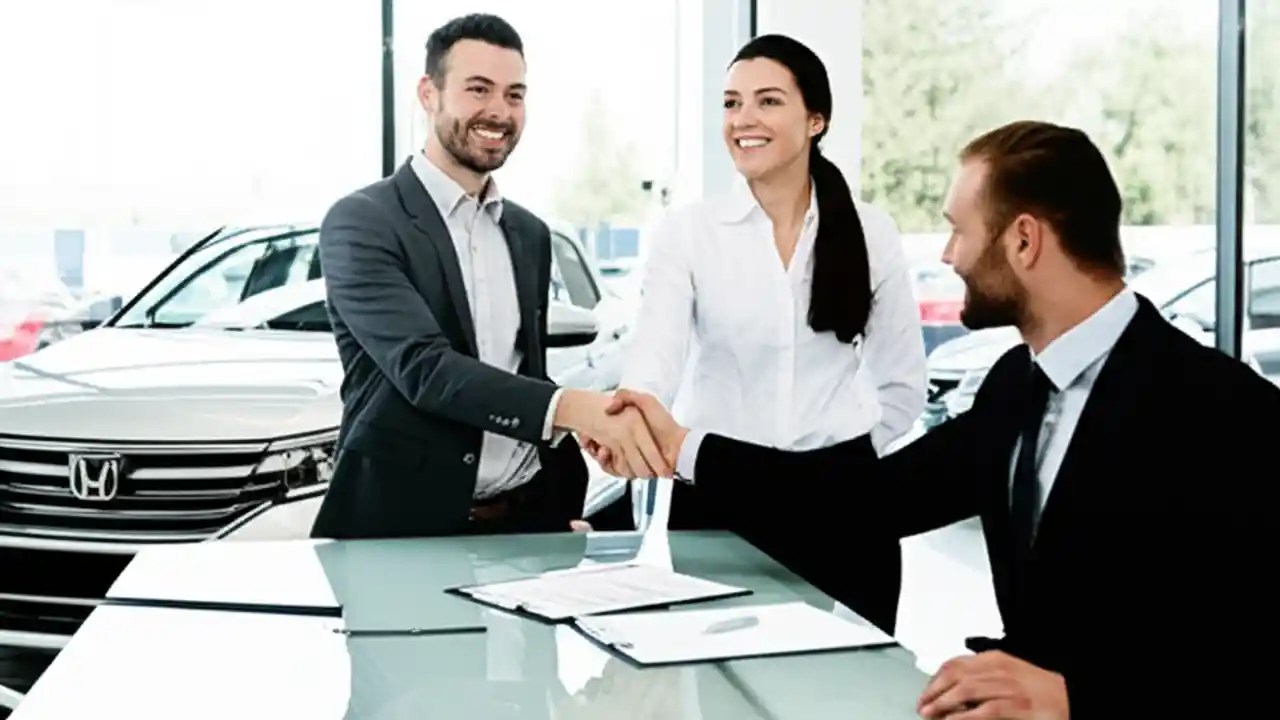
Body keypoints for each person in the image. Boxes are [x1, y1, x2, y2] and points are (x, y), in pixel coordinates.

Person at [603, 120, 1275, 717]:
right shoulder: (1016, 388)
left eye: (959, 228)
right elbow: (862, 500)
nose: (948, 255)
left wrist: (1076, 696)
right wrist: (682, 447)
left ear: (1023, 240)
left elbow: (1246, 652)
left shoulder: (1223, 409)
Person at [591, 34, 926, 634]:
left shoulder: (871, 233)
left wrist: (836, 469)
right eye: (730, 103)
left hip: (843, 510)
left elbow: (903, 390)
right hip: (719, 501)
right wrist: (634, 421)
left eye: (767, 101)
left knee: (852, 692)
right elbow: (655, 360)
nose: (743, 119)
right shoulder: (689, 232)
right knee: (720, 688)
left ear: (815, 119)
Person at [312, 13, 667, 541]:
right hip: (403, 532)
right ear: (428, 93)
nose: (499, 111)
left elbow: (519, 370)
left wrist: (575, 434)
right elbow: (424, 369)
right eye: (478, 89)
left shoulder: (529, 233)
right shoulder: (362, 221)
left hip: (529, 524)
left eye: (515, 94)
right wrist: (576, 410)